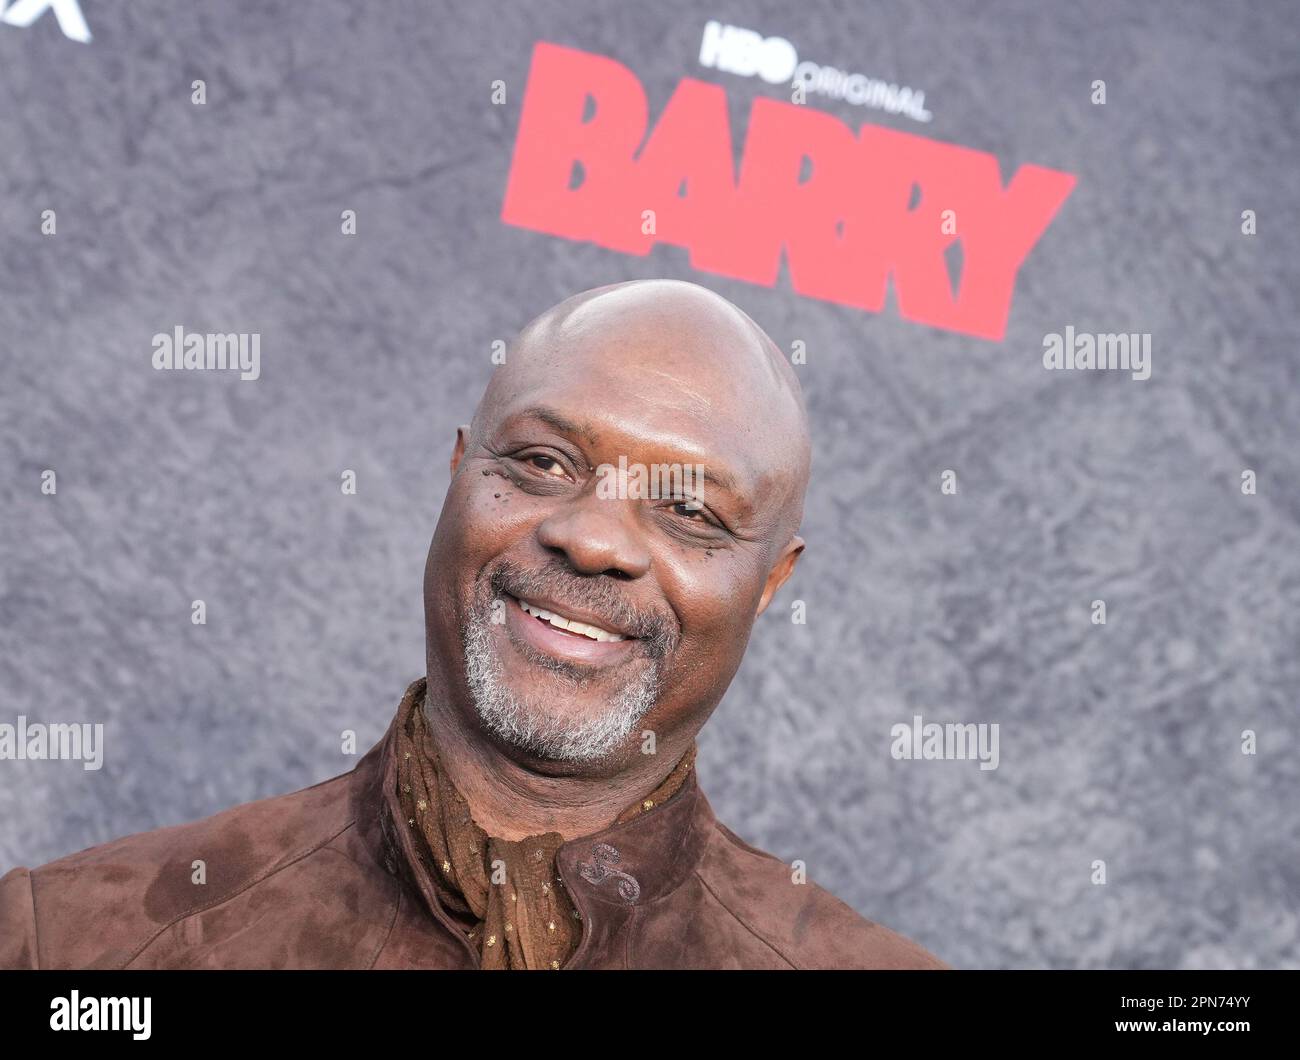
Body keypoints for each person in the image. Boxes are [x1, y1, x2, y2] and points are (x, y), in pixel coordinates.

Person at [0, 279, 947, 970]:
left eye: (688, 512)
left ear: (771, 581)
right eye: (543, 462)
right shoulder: (72, 942)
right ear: (459, 474)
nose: (590, 538)